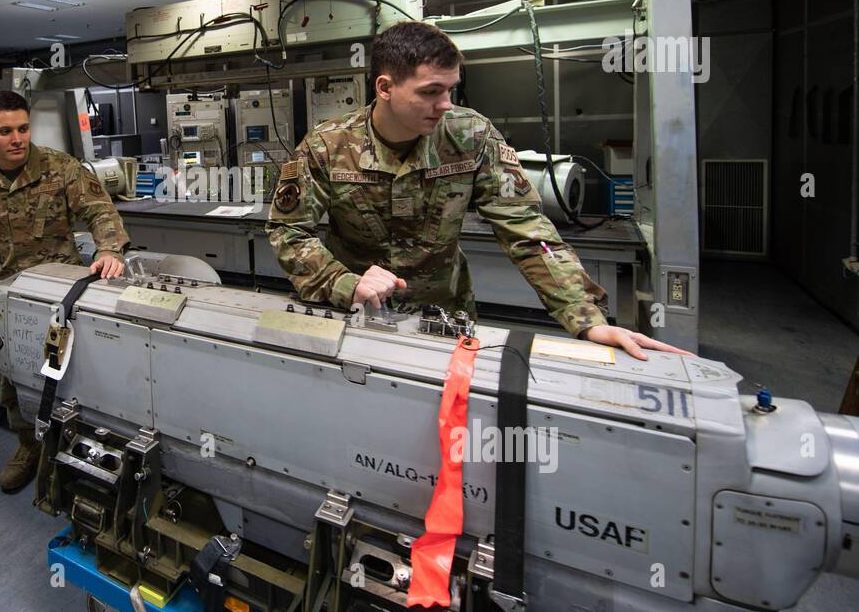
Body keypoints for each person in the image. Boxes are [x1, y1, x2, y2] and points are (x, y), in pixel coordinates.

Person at [266, 21, 689, 361]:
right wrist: (343, 282)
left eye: (450, 89)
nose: (446, 103)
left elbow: (525, 228)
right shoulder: (328, 146)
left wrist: (585, 316)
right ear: (385, 88)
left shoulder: (471, 135)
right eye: (431, 91)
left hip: (444, 315)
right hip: (354, 312)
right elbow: (289, 230)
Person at [0, 90, 130, 491]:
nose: (17, 138)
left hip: (65, 296)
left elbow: (99, 210)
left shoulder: (62, 169)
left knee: (77, 373)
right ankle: (29, 446)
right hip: (11, 297)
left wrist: (109, 248)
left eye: (23, 128)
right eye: (5, 131)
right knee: (17, 373)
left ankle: (86, 451)